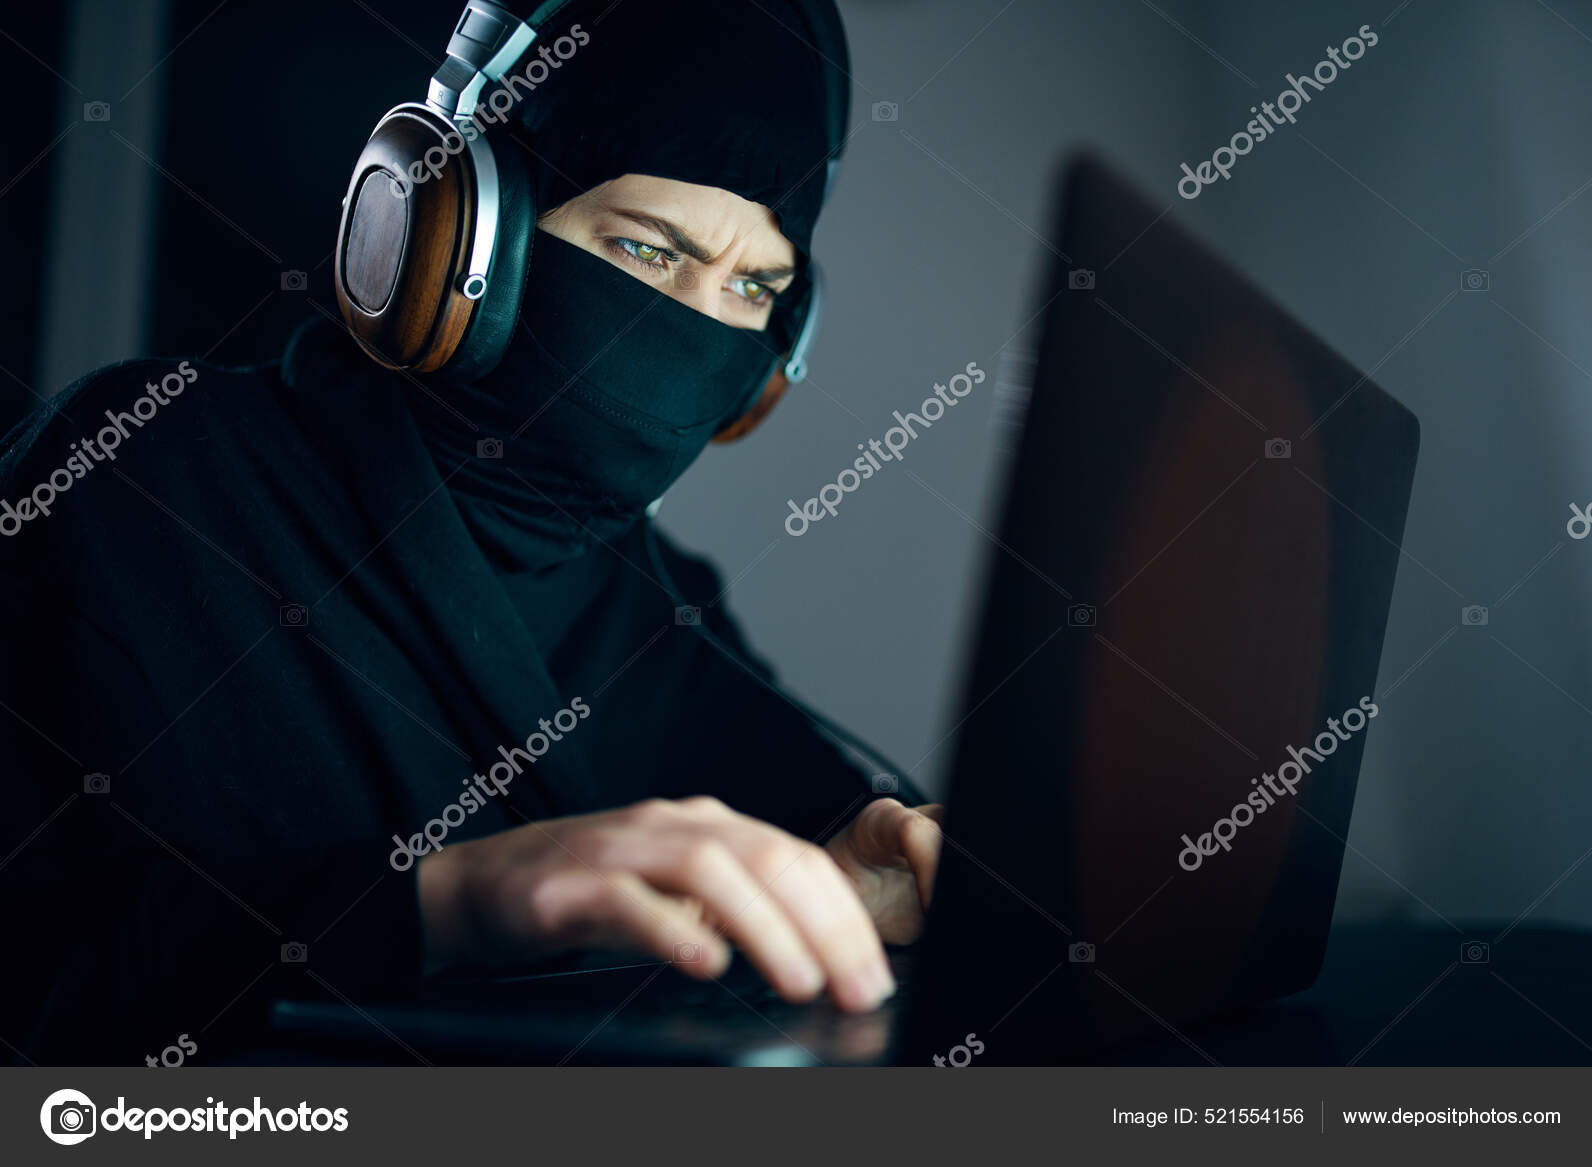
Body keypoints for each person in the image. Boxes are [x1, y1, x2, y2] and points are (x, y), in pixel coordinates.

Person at [0, 0, 942, 1065]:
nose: (697, 325)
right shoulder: (143, 474)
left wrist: (842, 872)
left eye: (752, 289)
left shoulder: (662, 607)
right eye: (645, 249)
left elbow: (803, 856)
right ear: (450, 224)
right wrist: (450, 904)